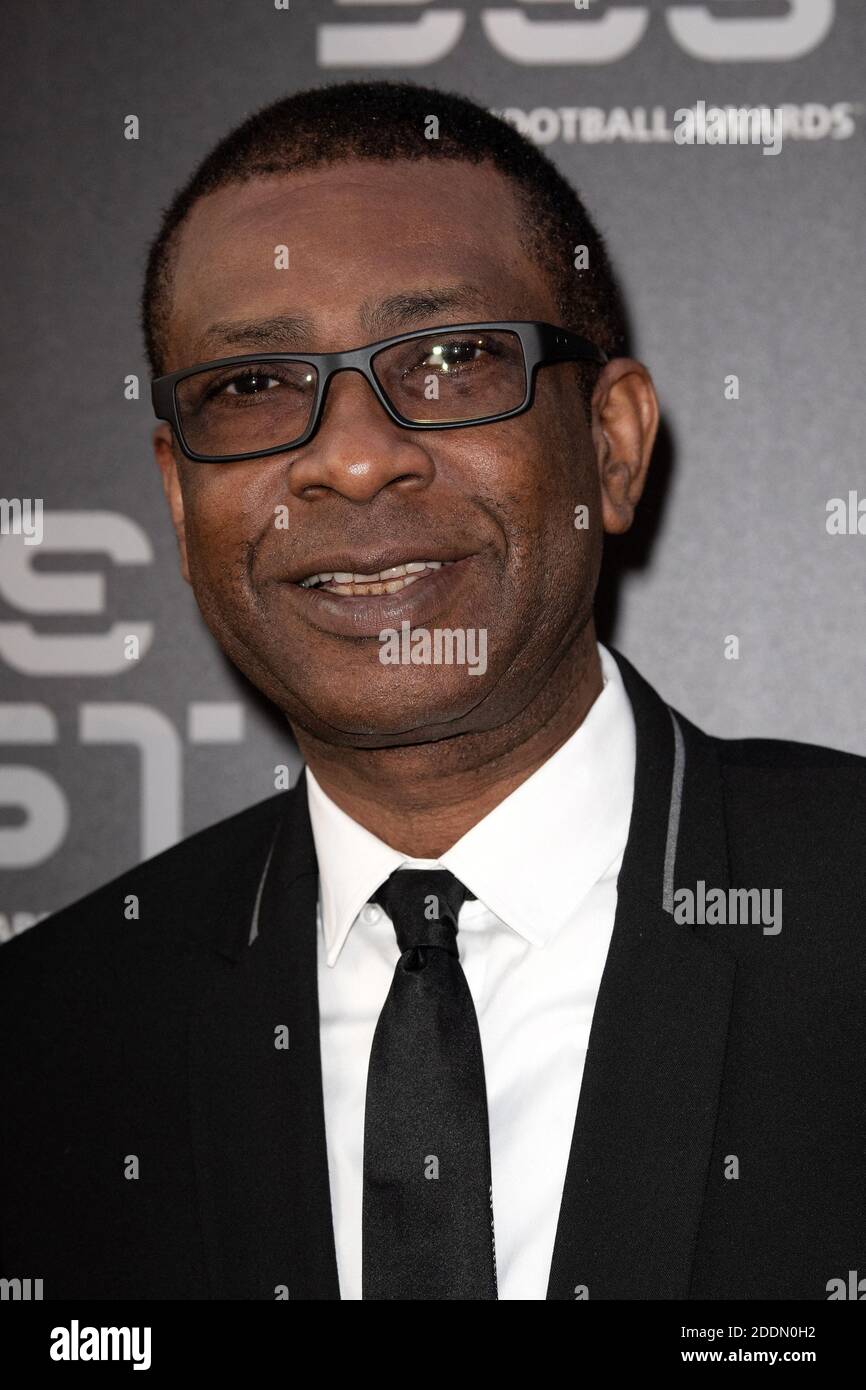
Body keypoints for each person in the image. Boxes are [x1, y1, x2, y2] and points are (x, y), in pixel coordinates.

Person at [1, 79, 863, 1303]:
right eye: (252, 386)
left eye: (451, 360)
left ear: (610, 446)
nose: (350, 456)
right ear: (180, 497)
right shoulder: (47, 1046)